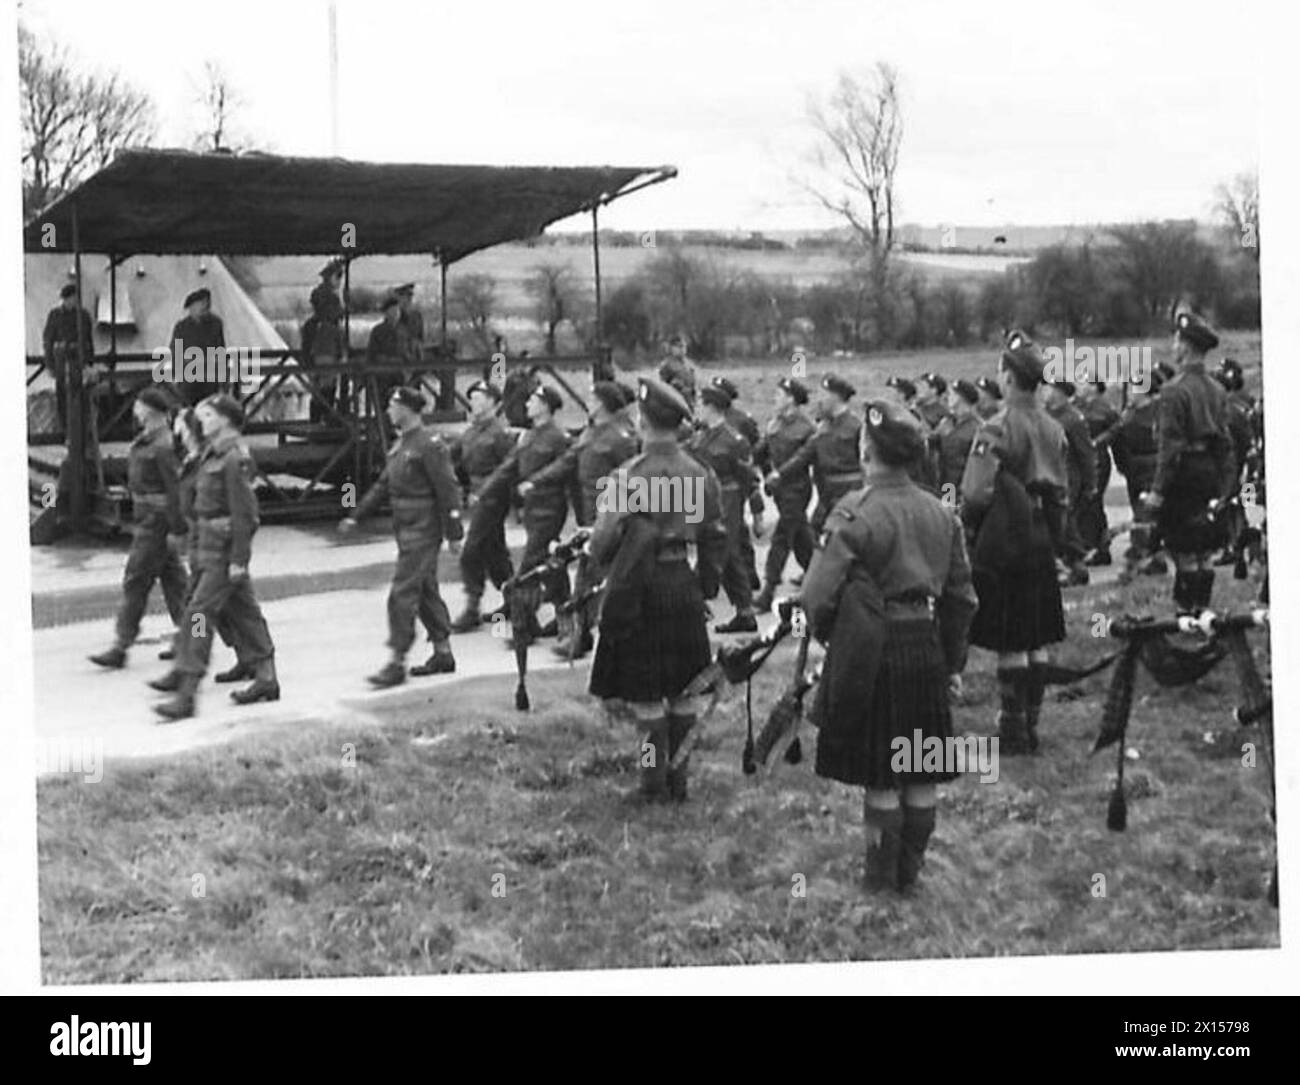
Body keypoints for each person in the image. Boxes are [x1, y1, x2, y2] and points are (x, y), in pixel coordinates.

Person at [799, 399, 977, 892]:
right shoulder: (942, 514)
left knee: (882, 775)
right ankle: (910, 876)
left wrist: (834, 638)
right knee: (920, 768)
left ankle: (880, 881)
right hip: (924, 645)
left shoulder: (854, 512)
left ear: (866, 451)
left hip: (872, 650)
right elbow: (962, 599)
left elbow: (815, 596)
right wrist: (951, 664)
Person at [587, 377, 727, 803]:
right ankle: (679, 782)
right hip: (681, 585)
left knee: (647, 700)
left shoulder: (628, 476)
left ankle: (651, 785)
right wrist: (704, 586)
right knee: (684, 694)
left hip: (639, 589)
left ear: (643, 422)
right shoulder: (700, 473)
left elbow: (600, 543)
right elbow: (715, 535)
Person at [960, 331, 1068, 755]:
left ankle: (1011, 727)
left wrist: (970, 529)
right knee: (1036, 636)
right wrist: (1057, 542)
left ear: (1007, 378)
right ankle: (1033, 721)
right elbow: (1062, 492)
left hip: (1004, 536)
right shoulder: (1053, 427)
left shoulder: (996, 427)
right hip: (1041, 533)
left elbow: (975, 493)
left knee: (1010, 638)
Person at [155, 395, 278, 720]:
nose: (202, 422)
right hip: (208, 548)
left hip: (223, 553)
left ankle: (188, 690)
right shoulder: (212, 454)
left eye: (207, 415)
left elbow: (246, 515)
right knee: (245, 613)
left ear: (224, 419)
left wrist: (239, 559)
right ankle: (266, 677)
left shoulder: (233, 458)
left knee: (198, 614)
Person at [341, 386, 464, 686]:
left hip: (423, 528)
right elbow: (384, 485)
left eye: (393, 405)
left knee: (402, 593)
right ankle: (443, 651)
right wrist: (356, 515)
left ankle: (396, 660)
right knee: (424, 590)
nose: (388, 411)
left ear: (408, 409)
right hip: (406, 527)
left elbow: (448, 489)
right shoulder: (402, 444)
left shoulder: (429, 444)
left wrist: (454, 532)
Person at [527, 381, 638, 657]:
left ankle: (588, 635)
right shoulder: (591, 431)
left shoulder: (620, 437)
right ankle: (580, 633)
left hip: (611, 511)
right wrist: (537, 481)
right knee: (589, 572)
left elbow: (634, 479)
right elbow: (569, 459)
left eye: (591, 397)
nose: (588, 401)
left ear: (602, 403)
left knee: (601, 575)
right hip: (590, 511)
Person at [89, 388, 188, 670]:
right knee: (177, 586)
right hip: (149, 520)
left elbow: (175, 489)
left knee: (136, 580)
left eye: (139, 405)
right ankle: (191, 638)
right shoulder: (151, 441)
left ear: (151, 411)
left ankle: (121, 645)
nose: (134, 409)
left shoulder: (163, 445)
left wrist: (177, 528)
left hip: (156, 523)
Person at [1145, 309, 1237, 614]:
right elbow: (1225, 444)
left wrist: (1158, 491)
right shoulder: (1217, 388)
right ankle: (1204, 610)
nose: (1173, 345)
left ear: (1185, 346)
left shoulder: (1173, 390)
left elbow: (1169, 449)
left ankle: (1186, 613)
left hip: (1183, 474)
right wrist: (1226, 486)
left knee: (1184, 549)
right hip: (1208, 471)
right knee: (1204, 550)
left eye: (1176, 339)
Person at [482, 385, 573, 641]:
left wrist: (536, 482)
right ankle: (565, 612)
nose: (528, 403)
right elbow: (509, 466)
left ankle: (525, 626)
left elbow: (565, 469)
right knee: (550, 565)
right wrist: (486, 490)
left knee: (528, 570)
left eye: (533, 399)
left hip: (550, 509)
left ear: (546, 406)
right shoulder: (528, 437)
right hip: (532, 510)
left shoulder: (558, 437)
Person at [690, 383, 764, 634]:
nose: (698, 408)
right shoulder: (700, 436)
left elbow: (749, 478)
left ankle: (695, 604)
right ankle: (745, 612)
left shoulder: (734, 440)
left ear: (712, 407)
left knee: (717, 553)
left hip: (727, 499)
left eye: (702, 403)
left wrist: (758, 512)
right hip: (706, 497)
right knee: (730, 558)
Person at [449, 380, 518, 632]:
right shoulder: (471, 432)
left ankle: (472, 605)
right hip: (477, 495)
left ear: (494, 403)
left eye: (480, 397)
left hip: (493, 498)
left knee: (471, 551)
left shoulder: (500, 433)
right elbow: (454, 459)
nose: (474, 402)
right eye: (473, 397)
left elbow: (509, 467)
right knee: (494, 551)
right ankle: (514, 598)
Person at [767, 375, 862, 535]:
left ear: (834, 397)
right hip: (827, 496)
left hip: (849, 495)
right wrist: (779, 473)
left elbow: (868, 463)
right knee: (813, 536)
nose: (819, 400)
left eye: (823, 395)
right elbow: (803, 455)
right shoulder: (822, 428)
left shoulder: (855, 427)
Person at [753, 377, 816, 611]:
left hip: (797, 490)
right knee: (801, 537)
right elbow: (762, 452)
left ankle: (768, 591)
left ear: (791, 399)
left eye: (779, 395)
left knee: (781, 538)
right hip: (780, 491)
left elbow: (805, 459)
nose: (775, 399)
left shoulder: (807, 427)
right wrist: (767, 474)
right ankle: (818, 577)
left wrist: (779, 475)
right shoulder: (774, 424)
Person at [1111, 367, 1170, 577]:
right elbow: (1118, 446)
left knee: (1146, 516)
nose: (1130, 393)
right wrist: (1125, 468)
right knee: (1141, 513)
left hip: (1151, 470)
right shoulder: (1127, 417)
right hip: (1134, 471)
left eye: (1134, 388)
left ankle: (1140, 557)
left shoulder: (1158, 414)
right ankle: (1154, 556)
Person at [1043, 378, 1097, 587]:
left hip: (1067, 478)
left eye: (1050, 389)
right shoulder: (1047, 415)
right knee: (1056, 522)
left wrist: (1090, 483)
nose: (1045, 392)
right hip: (1050, 476)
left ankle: (1076, 564)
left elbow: (1086, 453)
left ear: (1060, 393)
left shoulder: (1073, 418)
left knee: (1064, 522)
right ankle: (1068, 562)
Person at [1075, 382, 1121, 566]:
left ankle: (1095, 546)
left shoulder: (1104, 408)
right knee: (1089, 503)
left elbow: (1117, 428)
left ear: (1094, 386)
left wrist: (1099, 442)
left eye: (1086, 382)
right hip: (1084, 458)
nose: (1081, 386)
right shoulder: (1079, 405)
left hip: (1098, 458)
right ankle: (1098, 546)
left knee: (1092, 502)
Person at [42, 282, 95, 433]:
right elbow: (48, 340)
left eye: (75, 298)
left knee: (82, 397)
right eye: (70, 298)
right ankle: (66, 431)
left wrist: (89, 363)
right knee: (63, 397)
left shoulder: (83, 316)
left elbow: (89, 341)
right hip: (61, 361)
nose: (73, 301)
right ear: (65, 299)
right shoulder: (55, 315)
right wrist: (49, 364)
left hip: (80, 361)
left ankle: (82, 432)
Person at [168, 287, 227, 405]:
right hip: (189, 379)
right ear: (191, 307)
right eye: (200, 303)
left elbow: (220, 351)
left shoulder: (215, 324)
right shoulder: (182, 327)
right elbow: (175, 352)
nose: (204, 307)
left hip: (209, 379)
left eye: (206, 303)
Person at [304, 259, 346, 418]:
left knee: (325, 386)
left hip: (328, 342)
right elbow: (334, 313)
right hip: (325, 343)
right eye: (338, 276)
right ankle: (320, 420)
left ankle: (323, 419)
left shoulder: (328, 294)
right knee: (324, 385)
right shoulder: (326, 295)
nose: (340, 280)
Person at [936, 379, 981, 497]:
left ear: (960, 398)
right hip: (947, 487)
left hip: (961, 491)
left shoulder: (975, 429)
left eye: (951, 394)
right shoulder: (948, 422)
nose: (946, 397)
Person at [366, 292, 407, 414]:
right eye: (393, 311)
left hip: (400, 377)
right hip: (382, 378)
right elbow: (372, 355)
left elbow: (409, 352)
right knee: (383, 409)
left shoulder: (403, 331)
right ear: (386, 313)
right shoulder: (378, 331)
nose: (396, 314)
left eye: (397, 311)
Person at [657, 334, 697, 404]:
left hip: (689, 401)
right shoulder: (667, 365)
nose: (682, 349)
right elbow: (662, 386)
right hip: (674, 402)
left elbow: (694, 384)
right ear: (672, 348)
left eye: (684, 346)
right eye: (679, 346)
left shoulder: (689, 364)